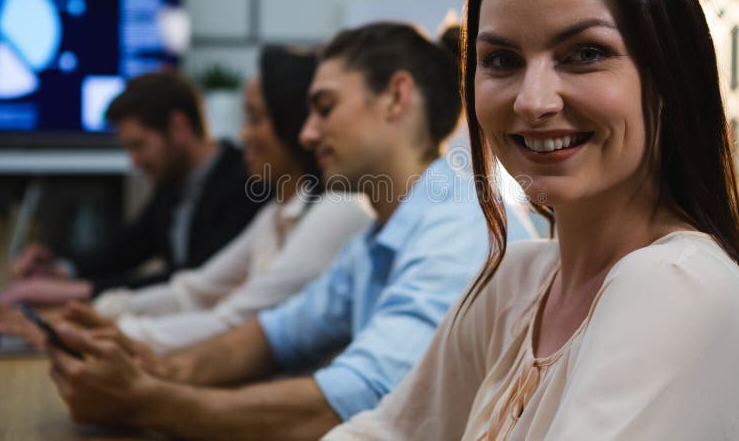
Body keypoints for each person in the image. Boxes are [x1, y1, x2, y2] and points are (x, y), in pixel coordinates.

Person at [325, 0, 739, 441]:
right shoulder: (513, 279)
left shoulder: (678, 284)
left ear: (669, 77)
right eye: (501, 60)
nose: (533, 101)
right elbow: (389, 431)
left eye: (586, 54)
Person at [45, 22, 534, 440]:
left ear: (396, 97)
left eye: (324, 108)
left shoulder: (456, 226)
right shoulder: (384, 232)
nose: (306, 134)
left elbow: (358, 400)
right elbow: (275, 333)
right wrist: (153, 369)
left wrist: (145, 400)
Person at [83, 46, 373, 354]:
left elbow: (238, 322)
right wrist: (104, 313)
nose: (243, 134)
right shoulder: (275, 213)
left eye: (256, 118)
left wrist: (114, 333)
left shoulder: (337, 210)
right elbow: (195, 291)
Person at [2, 71, 262, 304]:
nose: (134, 161)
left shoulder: (245, 181)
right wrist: (60, 268)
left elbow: (197, 277)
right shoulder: (173, 185)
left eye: (138, 145)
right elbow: (123, 251)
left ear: (178, 126)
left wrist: (79, 290)